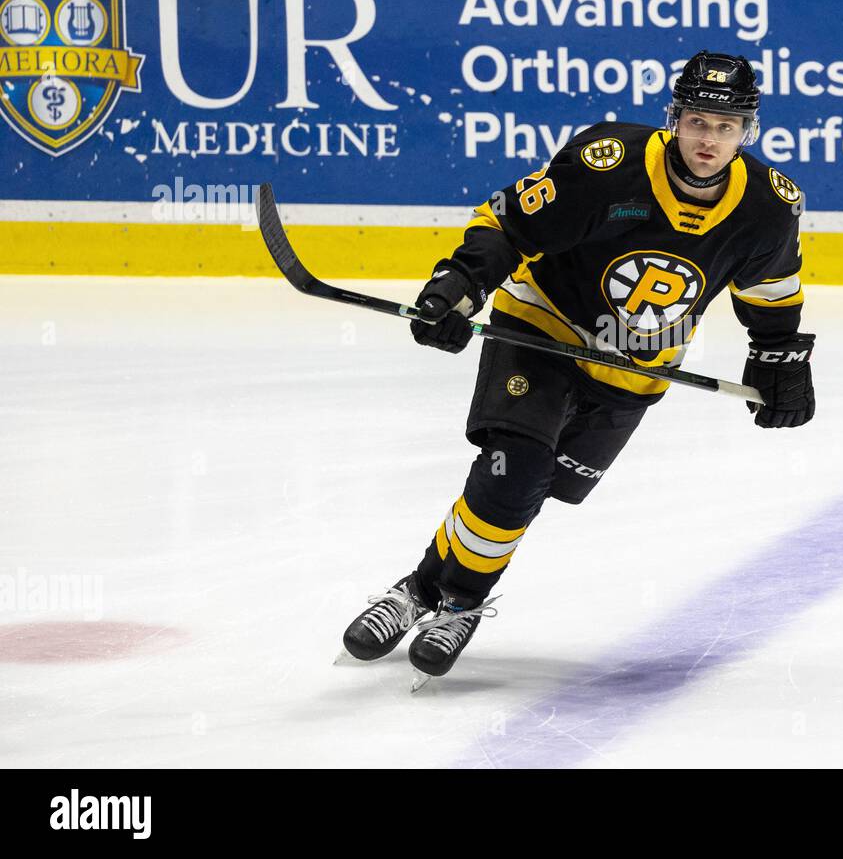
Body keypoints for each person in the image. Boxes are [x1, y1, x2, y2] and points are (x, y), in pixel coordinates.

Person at [340, 50, 816, 683]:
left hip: (638, 369)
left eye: (725, 127)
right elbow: (507, 223)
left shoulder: (767, 207)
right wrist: (457, 286)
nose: (709, 139)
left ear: (747, 131)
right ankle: (463, 604)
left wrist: (779, 356)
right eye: (699, 121)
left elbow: (772, 288)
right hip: (542, 329)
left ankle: (423, 587)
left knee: (525, 490)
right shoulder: (608, 166)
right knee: (516, 468)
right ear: (673, 118)